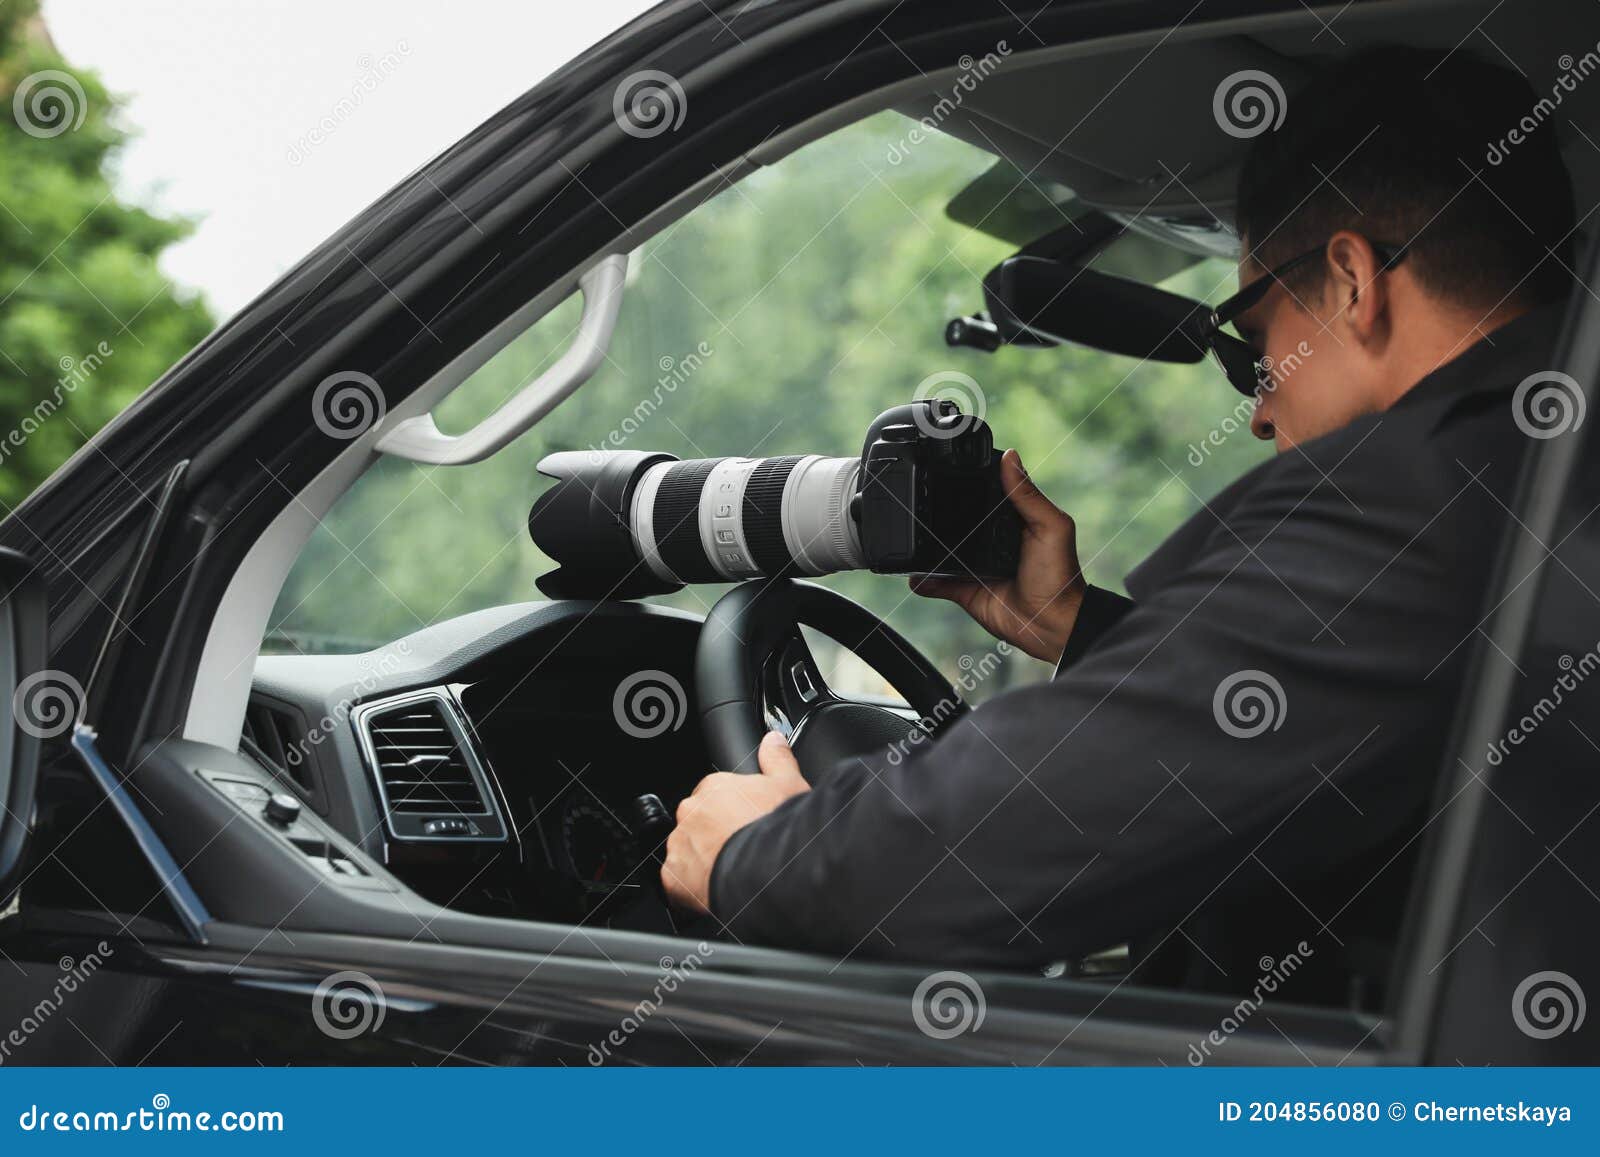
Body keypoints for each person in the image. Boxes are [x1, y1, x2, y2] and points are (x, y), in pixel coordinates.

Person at [660, 46, 1580, 985]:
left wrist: (757, 853)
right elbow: (1296, 720)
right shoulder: (1541, 467)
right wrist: (1083, 628)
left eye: (1254, 348)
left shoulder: (1425, 492)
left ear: (1352, 281)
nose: (1260, 411)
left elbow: (1027, 834)